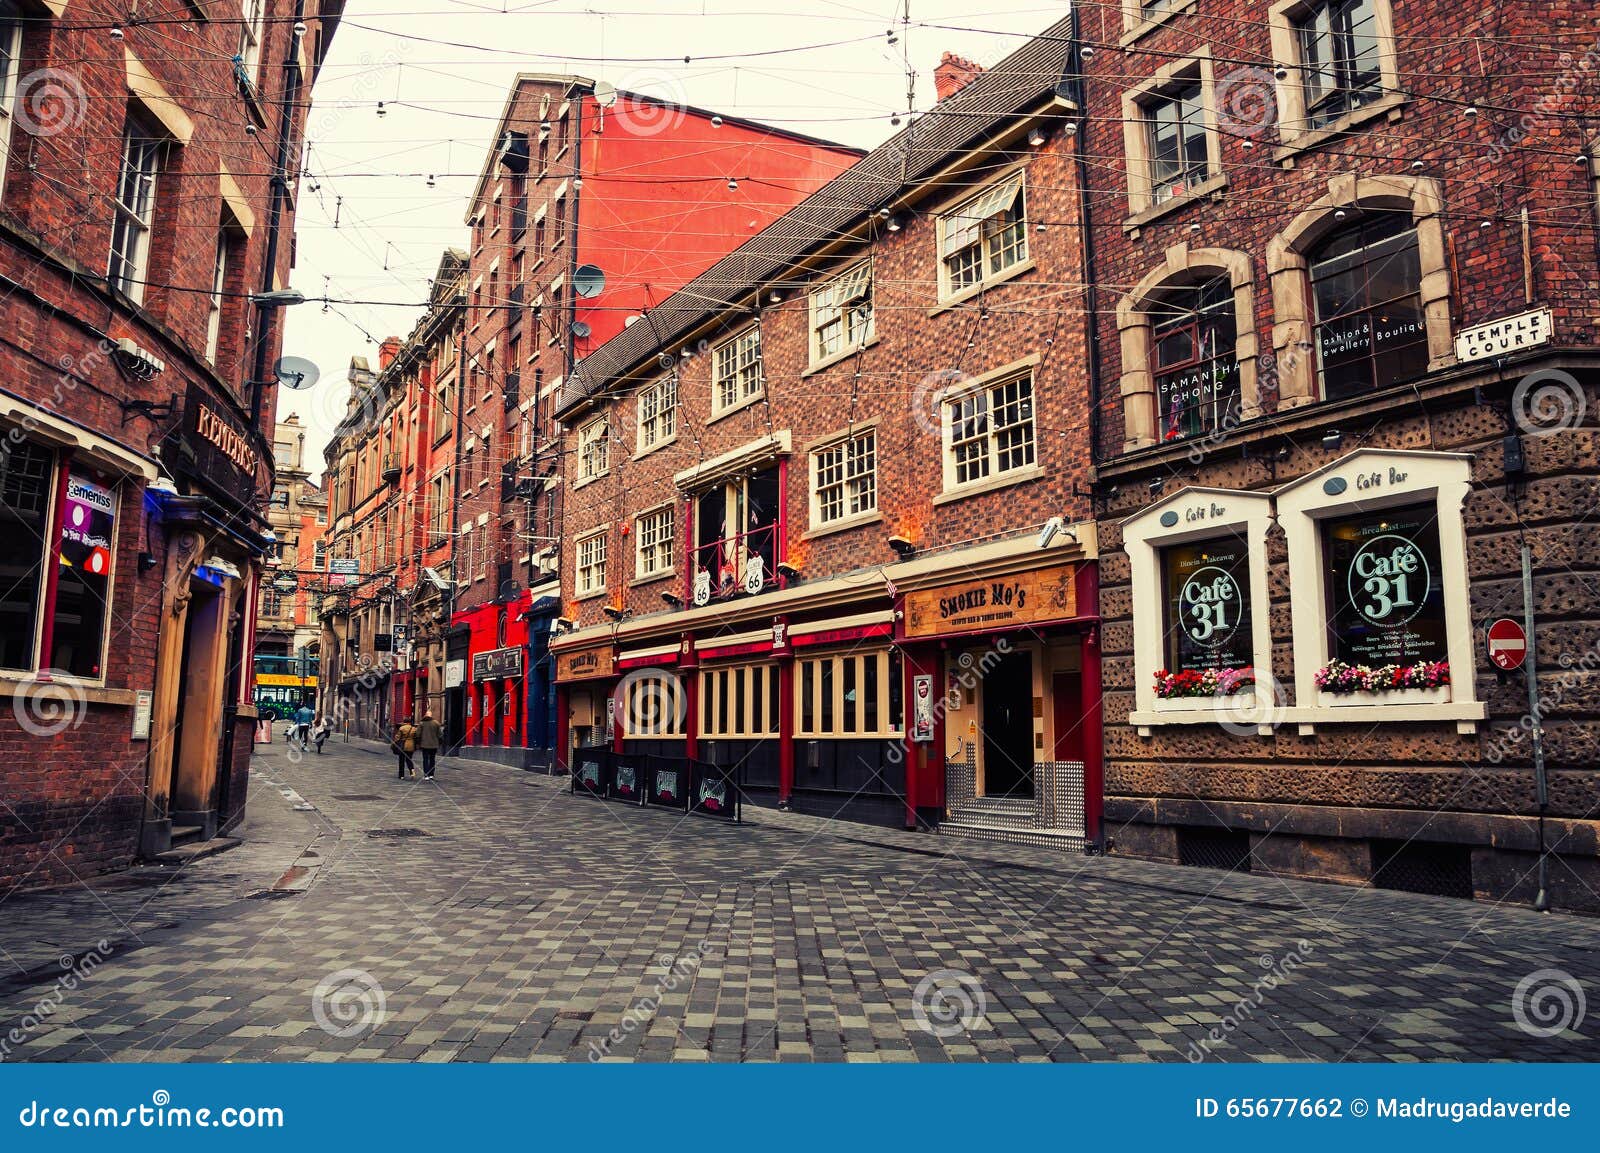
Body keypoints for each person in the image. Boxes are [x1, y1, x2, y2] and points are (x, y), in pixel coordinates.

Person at [416, 709, 442, 780]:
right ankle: (431, 774)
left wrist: (418, 743)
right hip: (434, 745)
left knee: (425, 759)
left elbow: (418, 734)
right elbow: (440, 734)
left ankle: (426, 774)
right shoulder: (436, 723)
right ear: (431, 715)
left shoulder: (422, 723)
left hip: (424, 745)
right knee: (432, 759)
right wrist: (439, 743)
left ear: (426, 715)